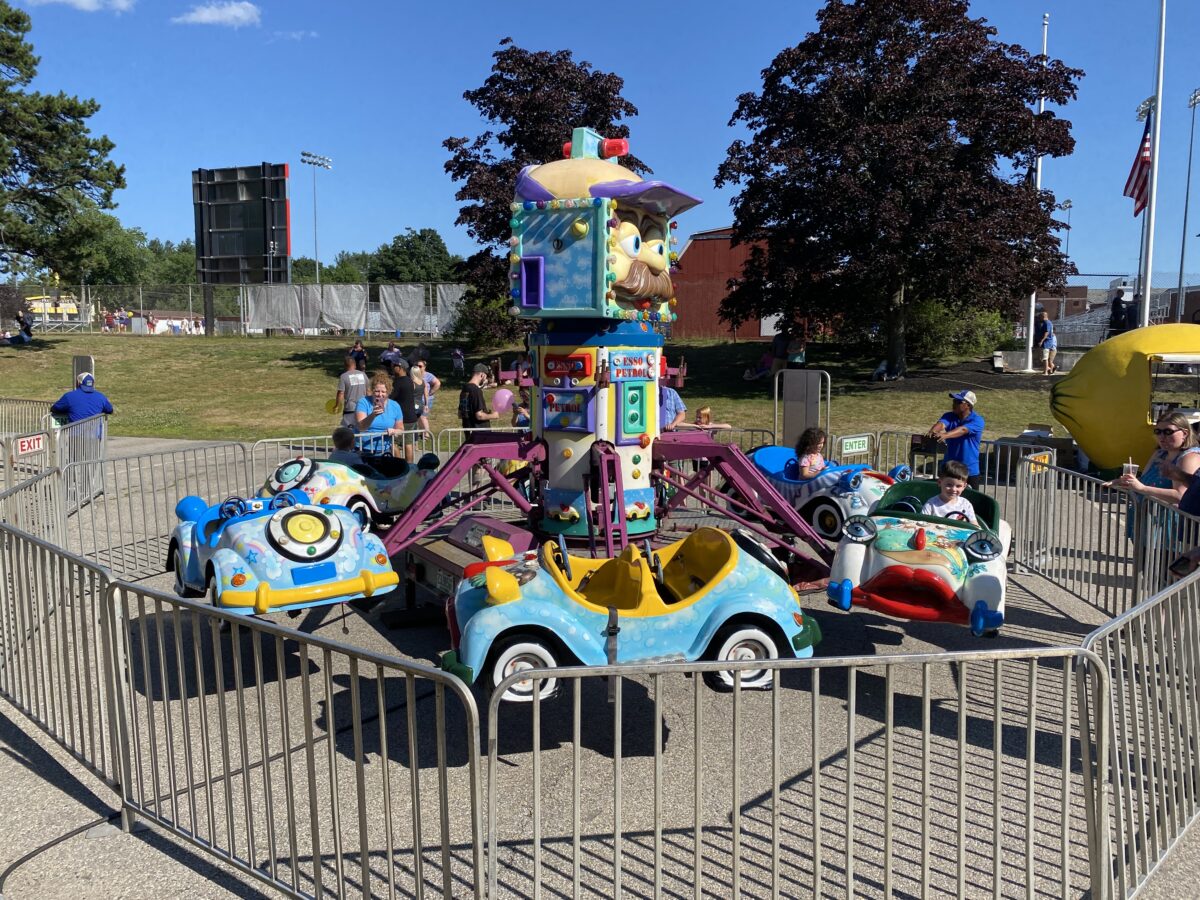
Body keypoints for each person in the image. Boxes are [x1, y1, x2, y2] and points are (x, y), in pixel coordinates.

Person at [1106, 412, 1200, 505]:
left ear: (1185, 433)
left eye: (1168, 432)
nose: (1161, 437)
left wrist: (1142, 489)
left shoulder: (1189, 457)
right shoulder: (1160, 453)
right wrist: (1126, 481)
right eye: (1158, 432)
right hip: (1144, 514)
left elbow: (1181, 496)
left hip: (1166, 517)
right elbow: (1144, 480)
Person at [927, 390, 985, 488]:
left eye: (958, 402)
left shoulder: (977, 420)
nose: (954, 404)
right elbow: (941, 424)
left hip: (969, 471)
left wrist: (945, 435)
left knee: (970, 501)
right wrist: (933, 432)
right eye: (954, 401)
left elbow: (963, 430)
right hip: (948, 468)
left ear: (968, 405)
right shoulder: (949, 416)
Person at [354, 373, 404, 455]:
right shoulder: (363, 402)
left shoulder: (395, 405)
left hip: (385, 450)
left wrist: (394, 431)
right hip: (363, 449)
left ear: (388, 392)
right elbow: (361, 427)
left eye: (383, 392)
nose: (380, 395)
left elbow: (401, 429)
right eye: (377, 391)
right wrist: (373, 415)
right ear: (372, 390)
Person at [387, 358, 421, 463]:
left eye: (394, 366)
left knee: (393, 442)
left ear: (400, 368)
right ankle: (409, 467)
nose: (392, 368)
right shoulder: (409, 381)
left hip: (401, 418)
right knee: (408, 443)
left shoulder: (399, 382)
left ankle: (398, 465)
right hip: (411, 417)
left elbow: (390, 398)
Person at [50, 372, 114, 423]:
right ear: (93, 383)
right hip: (95, 436)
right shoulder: (101, 397)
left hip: (75, 435)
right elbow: (110, 410)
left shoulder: (69, 396)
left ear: (78, 383)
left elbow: (54, 408)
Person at [459, 363, 499, 429]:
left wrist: (486, 413)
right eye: (486, 376)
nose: (486, 379)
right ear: (482, 375)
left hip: (468, 430)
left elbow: (460, 414)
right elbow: (479, 415)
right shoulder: (476, 390)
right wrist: (494, 415)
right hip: (480, 433)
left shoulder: (464, 389)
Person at [334, 355, 368, 429]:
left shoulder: (344, 376)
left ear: (345, 365)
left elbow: (341, 393)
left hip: (350, 408)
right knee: (362, 430)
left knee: (349, 432)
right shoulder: (363, 375)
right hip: (363, 407)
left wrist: (337, 405)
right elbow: (369, 391)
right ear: (355, 364)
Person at [1036, 311, 1057, 375]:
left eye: (1040, 317)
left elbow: (1046, 332)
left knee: (1045, 358)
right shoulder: (1047, 323)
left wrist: (1042, 341)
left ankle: (1046, 371)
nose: (1039, 319)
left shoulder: (1047, 323)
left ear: (1043, 316)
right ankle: (1049, 370)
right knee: (1045, 358)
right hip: (1047, 343)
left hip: (1046, 343)